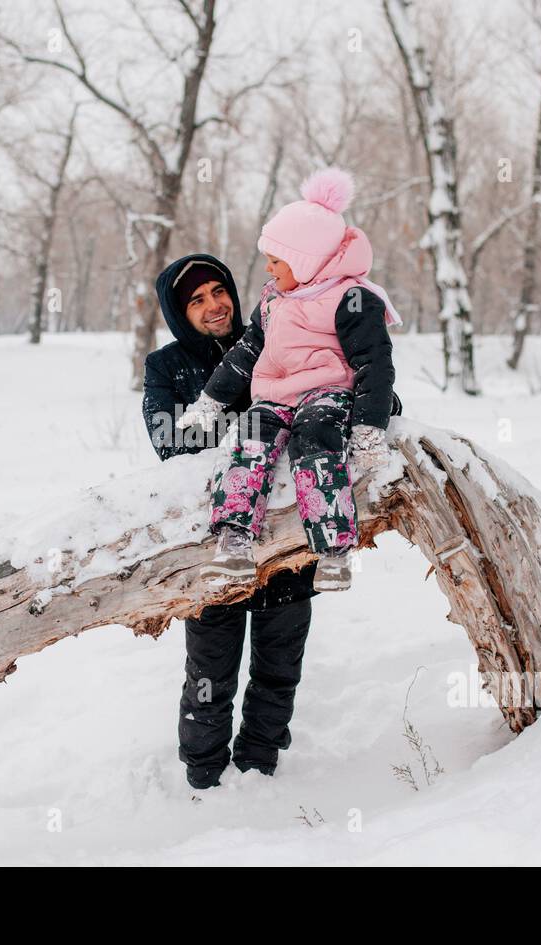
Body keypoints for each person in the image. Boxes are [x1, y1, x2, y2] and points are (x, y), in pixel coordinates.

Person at [141, 253, 320, 791]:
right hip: (216, 543)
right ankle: (203, 775)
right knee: (209, 671)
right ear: (179, 312)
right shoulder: (166, 366)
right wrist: (264, 428)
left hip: (287, 538)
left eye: (218, 291)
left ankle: (261, 761)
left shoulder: (274, 335)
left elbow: (331, 383)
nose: (213, 305)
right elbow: (173, 442)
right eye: (196, 300)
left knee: (280, 664)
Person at [176, 168, 401, 593]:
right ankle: (235, 542)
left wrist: (370, 426)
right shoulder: (274, 299)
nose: (268, 267)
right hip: (275, 394)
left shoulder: (351, 298)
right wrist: (210, 401)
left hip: (328, 390)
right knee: (251, 437)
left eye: (277, 259)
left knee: (313, 436)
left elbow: (375, 360)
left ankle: (334, 550)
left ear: (306, 259)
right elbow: (246, 353)